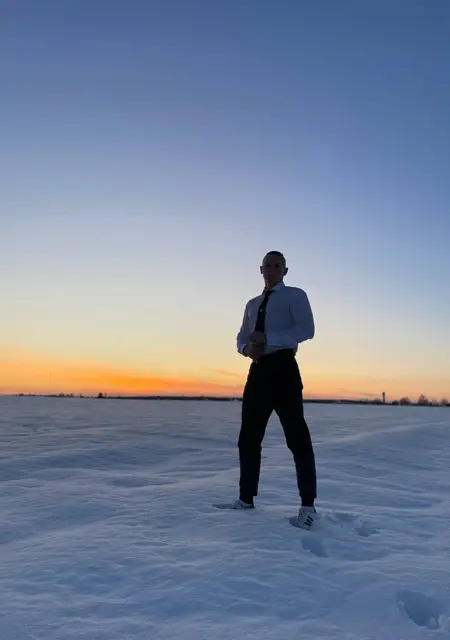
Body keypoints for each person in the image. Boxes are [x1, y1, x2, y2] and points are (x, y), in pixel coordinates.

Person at [217, 250, 318, 530]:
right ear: (261, 269)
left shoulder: (295, 296)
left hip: (284, 369)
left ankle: (308, 506)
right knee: (248, 437)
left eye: (277, 265)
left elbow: (307, 329)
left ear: (285, 270)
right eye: (268, 265)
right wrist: (247, 349)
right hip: (258, 371)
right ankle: (245, 499)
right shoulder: (252, 304)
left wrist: (269, 338)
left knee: (297, 437)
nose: (272, 269)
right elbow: (241, 337)